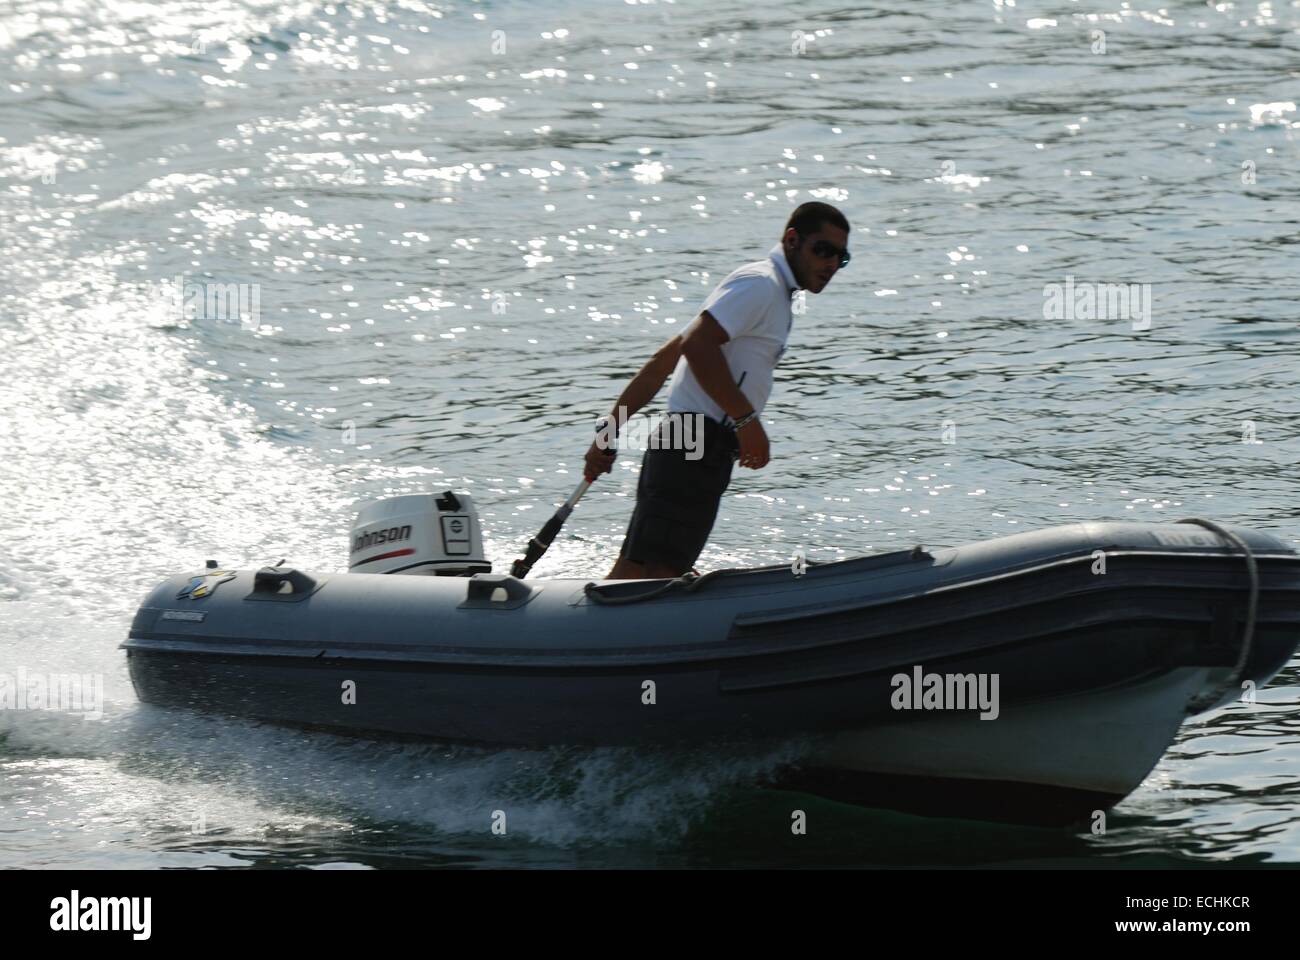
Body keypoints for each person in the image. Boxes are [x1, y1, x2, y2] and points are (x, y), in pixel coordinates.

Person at [583, 201, 851, 580]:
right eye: (823, 250)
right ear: (793, 240)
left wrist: (610, 432)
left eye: (841, 257)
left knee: (661, 572)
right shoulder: (761, 284)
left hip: (696, 444)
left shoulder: (771, 292)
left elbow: (666, 358)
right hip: (692, 441)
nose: (831, 264)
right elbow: (695, 346)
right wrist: (746, 421)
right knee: (644, 574)